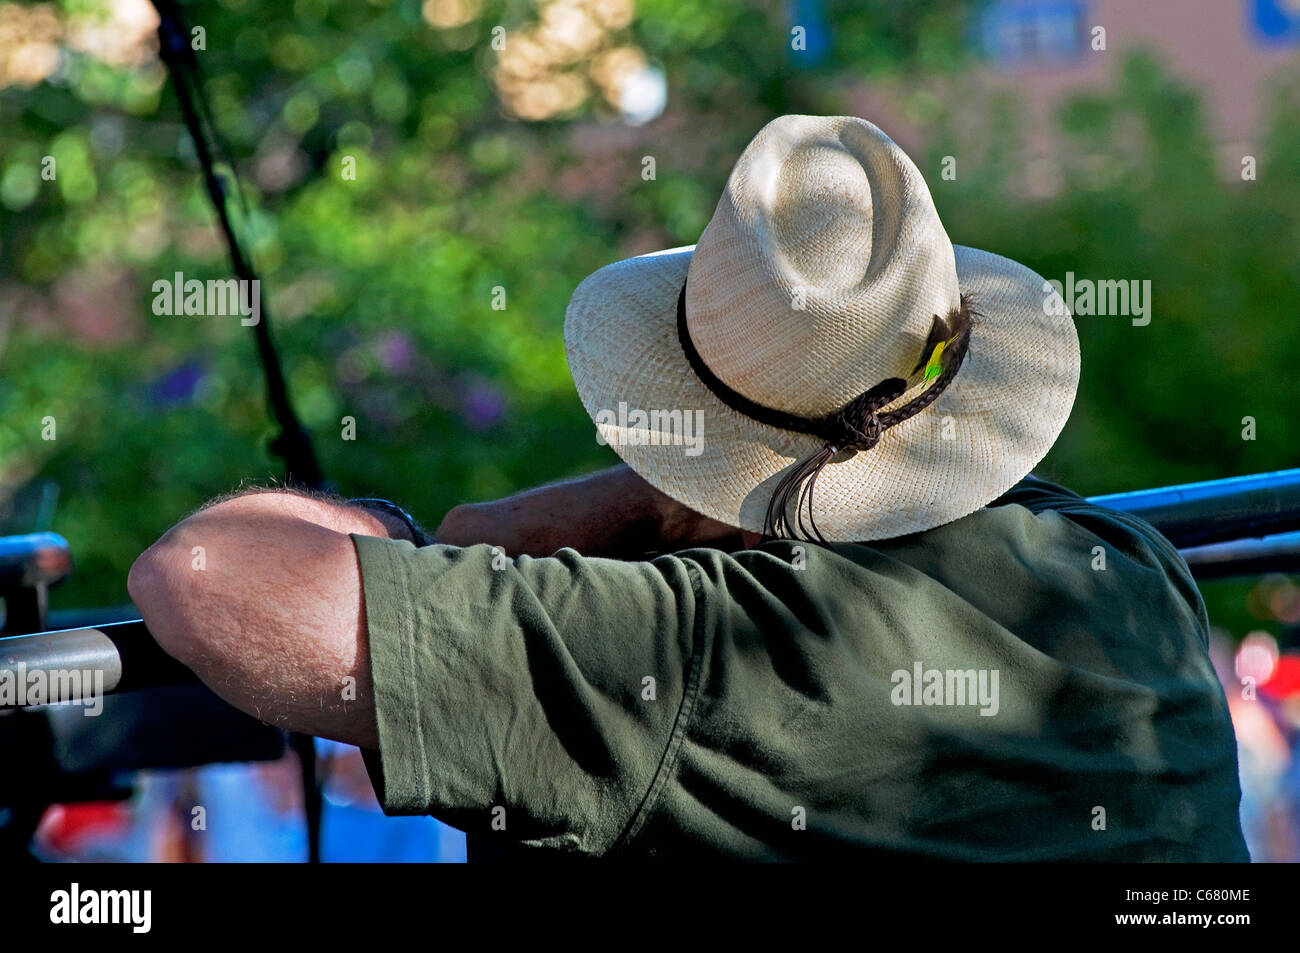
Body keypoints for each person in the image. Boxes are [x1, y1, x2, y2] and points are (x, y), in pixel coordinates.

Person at [127, 115, 1249, 861]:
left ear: (691, 448)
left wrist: (409, 539)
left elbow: (205, 573)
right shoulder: (1124, 573)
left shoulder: (703, 649)